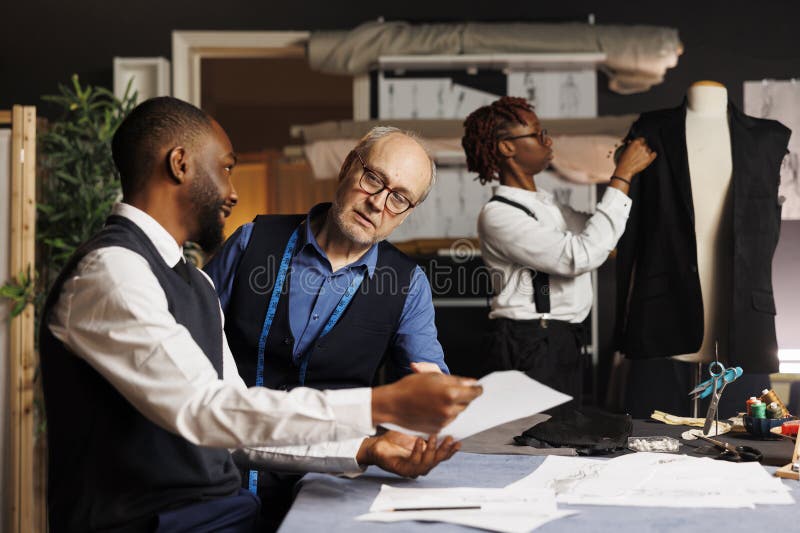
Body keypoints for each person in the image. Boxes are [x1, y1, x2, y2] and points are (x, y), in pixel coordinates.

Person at [39, 97, 483, 533]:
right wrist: (381, 403)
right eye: (227, 168)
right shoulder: (114, 272)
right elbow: (206, 409)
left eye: (400, 198)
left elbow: (235, 425)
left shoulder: (192, 282)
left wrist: (367, 448)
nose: (233, 193)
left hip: (226, 508)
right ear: (180, 165)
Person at [204, 126, 448, 527]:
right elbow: (189, 343)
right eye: (374, 179)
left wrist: (434, 399)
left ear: (406, 214)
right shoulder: (251, 242)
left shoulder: (408, 285)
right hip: (219, 478)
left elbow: (428, 382)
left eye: (399, 198)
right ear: (349, 166)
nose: (378, 204)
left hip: (328, 489)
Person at [462, 96, 655, 406]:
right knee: (531, 444)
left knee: (560, 442)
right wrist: (621, 175)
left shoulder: (547, 204)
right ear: (507, 147)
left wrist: (631, 177)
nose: (547, 140)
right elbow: (580, 256)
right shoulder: (499, 214)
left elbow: (600, 233)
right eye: (537, 134)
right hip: (529, 344)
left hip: (558, 341)